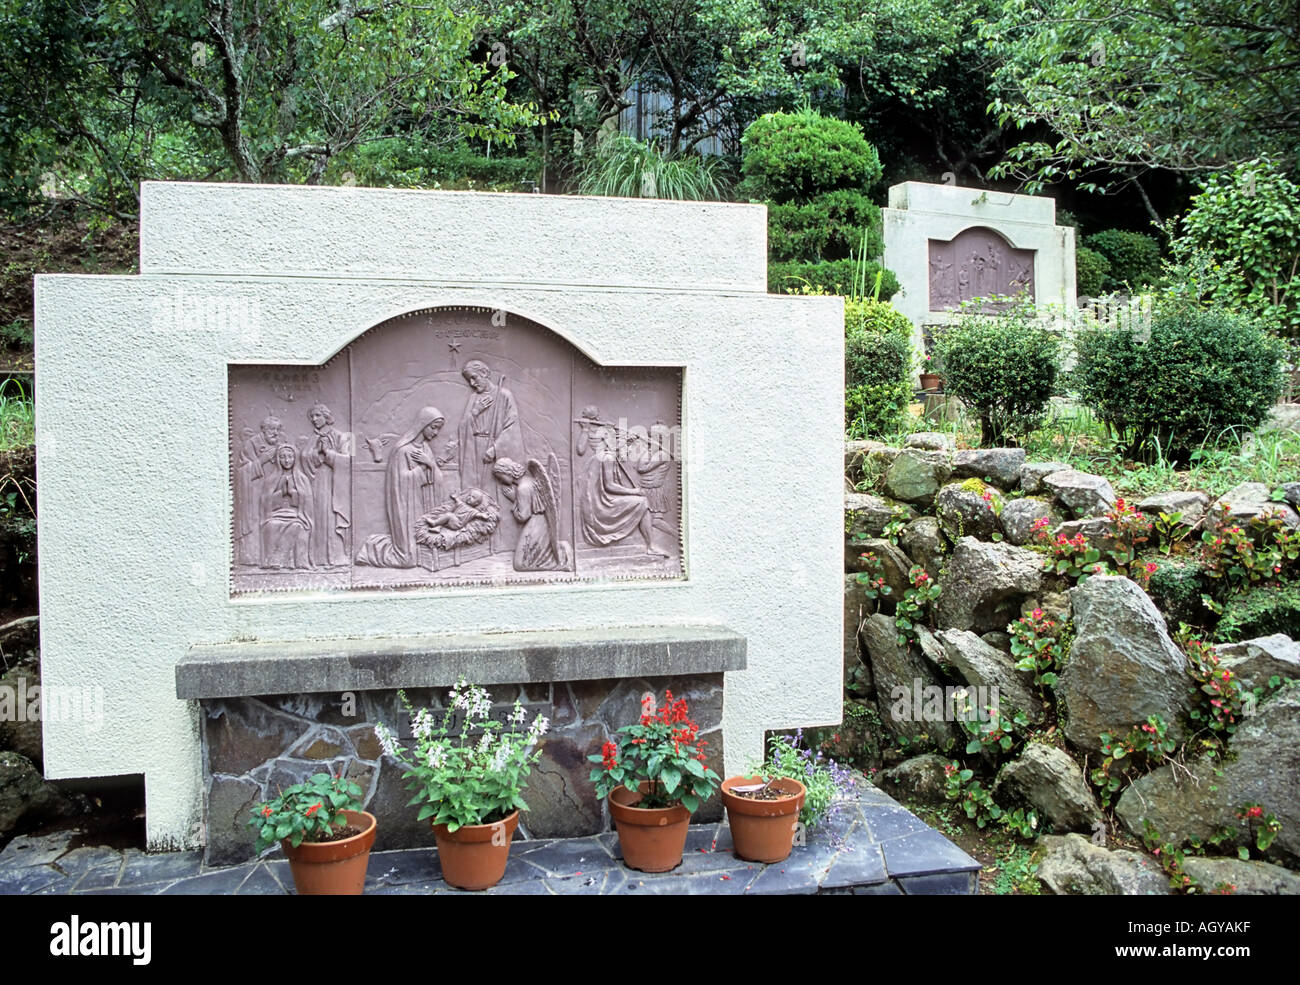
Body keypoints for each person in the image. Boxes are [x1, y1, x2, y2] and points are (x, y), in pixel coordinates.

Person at [446, 360, 525, 553]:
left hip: (495, 455)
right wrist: (475, 412)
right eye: (469, 380)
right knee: (477, 498)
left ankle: (500, 545)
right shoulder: (474, 398)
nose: (472, 383)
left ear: (485, 373)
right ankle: (479, 544)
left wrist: (496, 448)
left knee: (497, 498)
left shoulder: (504, 396)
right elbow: (463, 427)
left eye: (475, 377)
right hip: (475, 452)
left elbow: (512, 427)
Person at [355, 406, 446, 568]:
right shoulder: (402, 451)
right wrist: (422, 468)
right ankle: (371, 548)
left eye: (438, 429)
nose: (436, 433)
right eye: (433, 427)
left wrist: (430, 464)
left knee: (422, 554)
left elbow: (438, 478)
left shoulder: (426, 450)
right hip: (407, 507)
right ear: (422, 425)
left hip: (424, 505)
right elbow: (401, 482)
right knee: (407, 559)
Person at [573, 407, 665, 556]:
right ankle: (650, 546)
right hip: (600, 504)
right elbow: (609, 486)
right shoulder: (607, 458)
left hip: (599, 499)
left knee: (640, 501)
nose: (628, 452)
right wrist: (634, 491)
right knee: (642, 502)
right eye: (627, 447)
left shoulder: (604, 456)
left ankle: (650, 545)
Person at [493, 457, 571, 571]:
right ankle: (560, 552)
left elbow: (523, 516)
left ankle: (560, 564)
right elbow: (532, 501)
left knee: (520, 564)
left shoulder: (522, 489)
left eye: (501, 477)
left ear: (508, 472)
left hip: (536, 525)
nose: (501, 481)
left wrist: (514, 504)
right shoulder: (531, 480)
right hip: (543, 522)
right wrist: (516, 498)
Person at [302, 403, 352, 567]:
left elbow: (349, 461)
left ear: (326, 416)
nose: (314, 420)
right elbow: (304, 458)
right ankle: (318, 558)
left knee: (332, 515)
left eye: (317, 415)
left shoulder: (343, 436)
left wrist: (328, 453)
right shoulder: (312, 438)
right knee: (318, 516)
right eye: (312, 417)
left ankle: (336, 556)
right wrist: (316, 453)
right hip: (317, 482)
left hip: (335, 483)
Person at [234, 415, 282, 565]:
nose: (275, 433)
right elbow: (242, 471)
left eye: (277, 430)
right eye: (272, 429)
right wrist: (263, 459)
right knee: (255, 522)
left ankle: (272, 559)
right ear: (263, 430)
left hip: (271, 493)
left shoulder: (277, 445)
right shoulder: (250, 445)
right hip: (253, 494)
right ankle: (251, 558)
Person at [259, 444, 313, 568]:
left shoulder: (302, 479)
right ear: (278, 459)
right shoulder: (271, 479)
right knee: (272, 526)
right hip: (275, 515)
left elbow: (308, 502)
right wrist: (280, 493)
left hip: (297, 515)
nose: (287, 460)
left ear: (295, 458)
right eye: (283, 457)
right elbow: (265, 502)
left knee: (297, 526)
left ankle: (279, 561)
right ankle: (272, 561)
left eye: (290, 457)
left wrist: (293, 494)